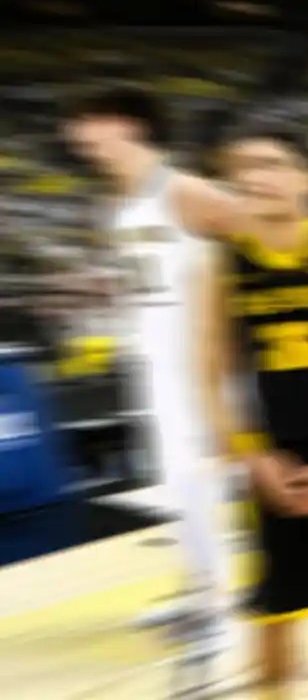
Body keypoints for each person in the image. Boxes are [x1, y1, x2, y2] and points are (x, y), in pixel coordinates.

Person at [196, 121, 308, 689]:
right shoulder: (222, 262)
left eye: (271, 164)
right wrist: (254, 460)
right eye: (241, 170)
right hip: (274, 464)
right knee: (273, 623)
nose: (255, 178)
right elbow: (208, 372)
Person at [64, 85, 232, 652]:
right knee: (175, 484)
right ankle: (198, 589)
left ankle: (220, 609)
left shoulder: (185, 192)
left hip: (199, 361)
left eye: (89, 121)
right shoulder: (113, 204)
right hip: (153, 361)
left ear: (129, 125)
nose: (78, 135)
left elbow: (257, 252)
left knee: (199, 482)